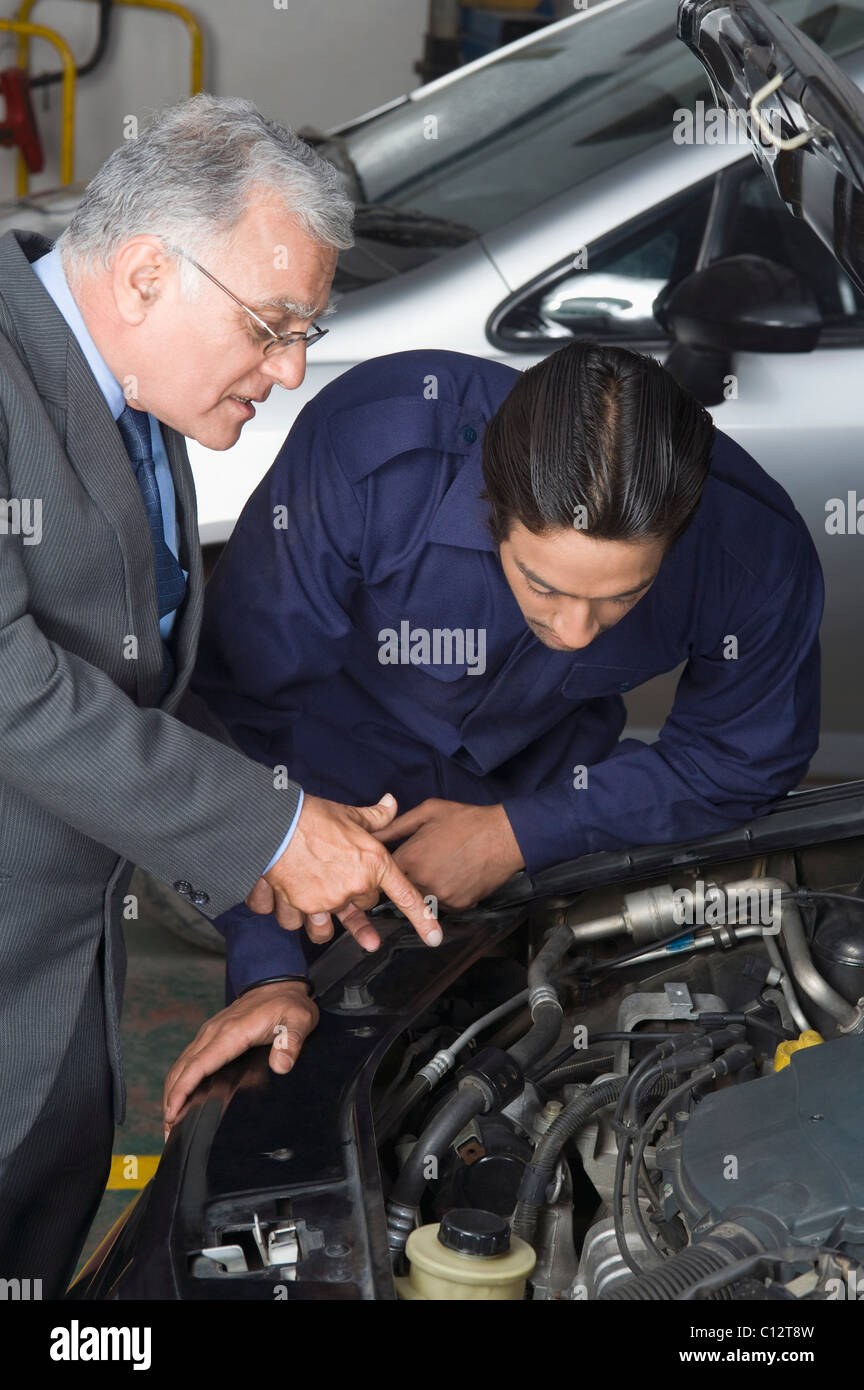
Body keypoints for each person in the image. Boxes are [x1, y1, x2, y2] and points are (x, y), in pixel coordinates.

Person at [0, 94, 436, 1298]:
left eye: (310, 328)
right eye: (275, 324)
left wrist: (280, 842)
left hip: (59, 997)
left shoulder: (130, 394)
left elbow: (132, 679)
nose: (292, 367)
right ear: (146, 273)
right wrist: (275, 831)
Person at [171, 341, 823, 1108]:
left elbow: (740, 759)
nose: (579, 632)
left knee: (512, 1087)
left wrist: (516, 833)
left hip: (537, 815)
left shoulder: (751, 547)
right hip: (314, 790)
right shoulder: (375, 449)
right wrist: (269, 965)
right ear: (491, 505)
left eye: (622, 596)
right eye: (542, 584)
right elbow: (229, 707)